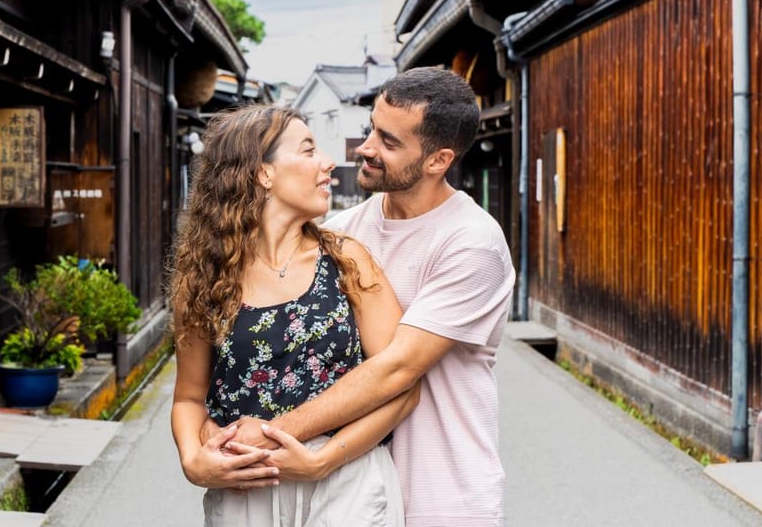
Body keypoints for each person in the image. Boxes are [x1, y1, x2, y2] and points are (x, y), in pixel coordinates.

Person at [231, 67, 516, 526]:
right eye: (371, 129)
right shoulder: (339, 232)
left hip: (444, 493)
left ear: (438, 160)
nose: (365, 148)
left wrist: (268, 436)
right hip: (349, 493)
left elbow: (397, 369)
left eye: (389, 141)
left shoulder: (470, 241)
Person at [169, 104, 419, 526]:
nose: (327, 164)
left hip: (346, 481)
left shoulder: (348, 262)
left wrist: (323, 459)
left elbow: (402, 387)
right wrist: (193, 461)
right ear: (262, 173)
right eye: (308, 151)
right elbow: (189, 398)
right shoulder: (205, 278)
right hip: (245, 487)